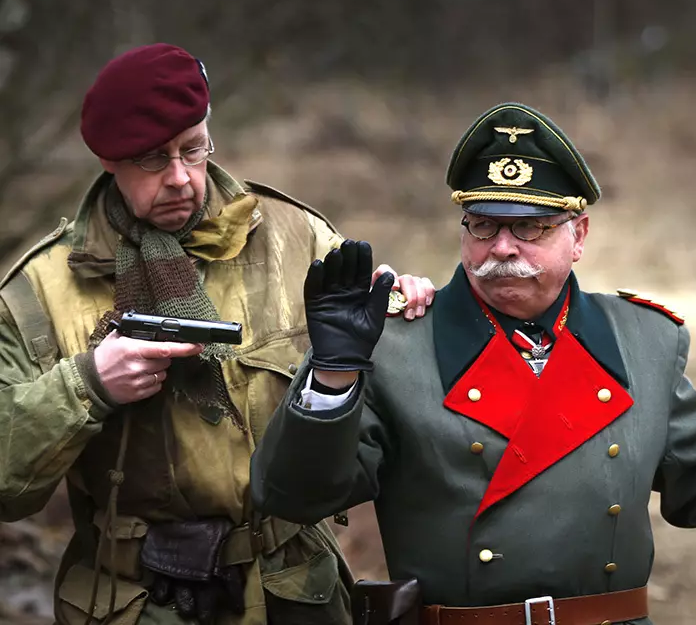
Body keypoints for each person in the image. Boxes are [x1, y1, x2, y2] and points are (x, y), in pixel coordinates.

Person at [250, 102, 696, 625]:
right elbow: (297, 496)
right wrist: (334, 374)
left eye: (531, 227)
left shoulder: (643, 339)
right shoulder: (396, 346)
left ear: (579, 234)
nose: (502, 247)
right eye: (482, 225)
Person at [0, 43, 435, 625]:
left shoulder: (292, 237)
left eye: (193, 149)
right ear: (110, 161)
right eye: (154, 159)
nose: (181, 177)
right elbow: (8, 485)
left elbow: (372, 350)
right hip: (132, 598)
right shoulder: (41, 290)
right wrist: (88, 384)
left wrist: (405, 301)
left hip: (292, 590)